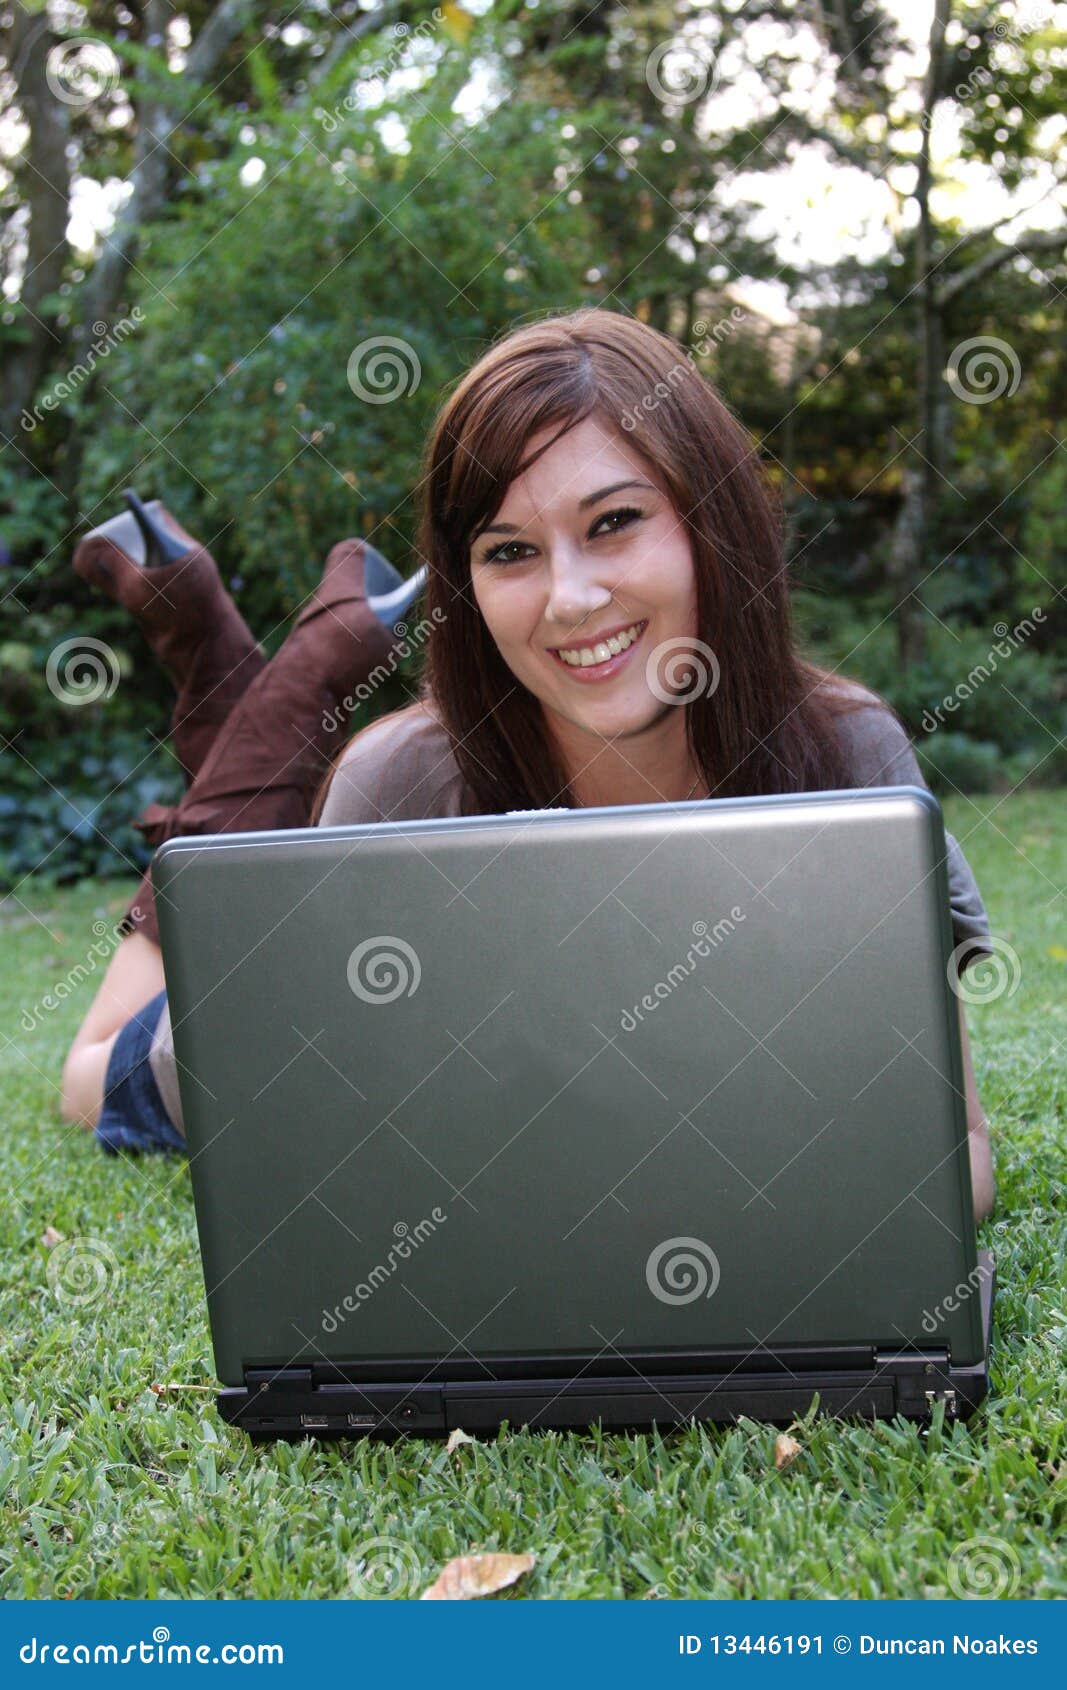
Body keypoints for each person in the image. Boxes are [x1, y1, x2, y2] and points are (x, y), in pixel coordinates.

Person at [59, 308, 998, 1218]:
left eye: (613, 522)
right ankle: (295, 673)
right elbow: (335, 1154)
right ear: (466, 587)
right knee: (89, 1071)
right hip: (262, 1019)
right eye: (510, 551)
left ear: (714, 523)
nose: (571, 599)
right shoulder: (400, 783)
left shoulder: (845, 756)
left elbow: (953, 1151)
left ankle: (245, 657)